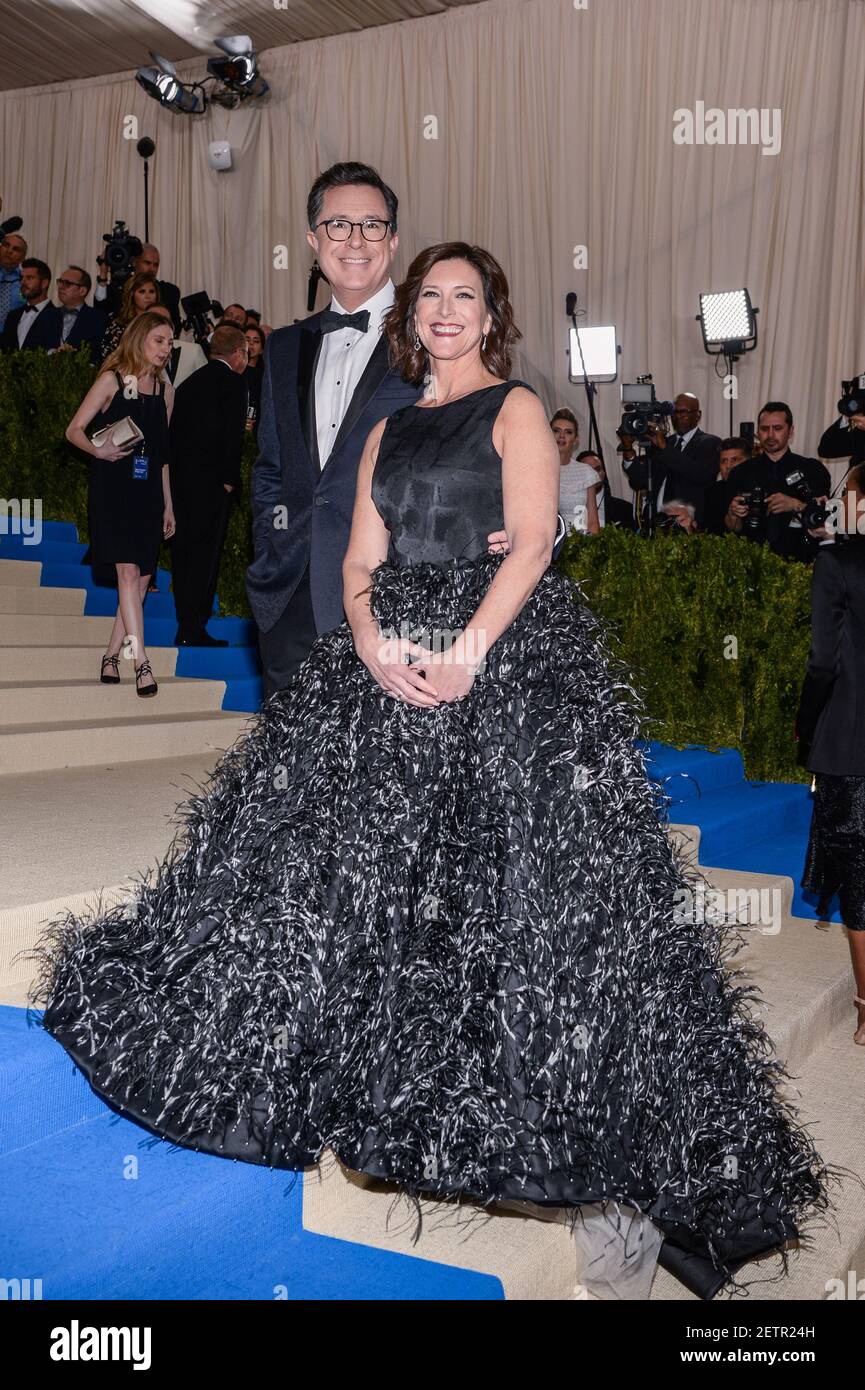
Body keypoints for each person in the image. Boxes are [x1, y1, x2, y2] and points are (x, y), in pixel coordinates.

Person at [29, 241, 830, 1304]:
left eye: (465, 296)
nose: (446, 310)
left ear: (491, 317)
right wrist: (368, 642)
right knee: (340, 884)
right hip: (385, 661)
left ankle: (602, 1188)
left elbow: (532, 542)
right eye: (431, 297)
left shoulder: (515, 407)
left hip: (498, 664)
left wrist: (468, 653)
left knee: (537, 914)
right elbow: (360, 561)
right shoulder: (387, 428)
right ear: (411, 317)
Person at [247, 160, 564, 700]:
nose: (355, 240)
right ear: (313, 239)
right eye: (338, 225)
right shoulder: (281, 347)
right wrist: (270, 550)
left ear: (392, 240)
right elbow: (272, 469)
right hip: (292, 594)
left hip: (410, 607)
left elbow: (484, 454)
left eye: (371, 225)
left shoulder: (436, 330)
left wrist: (545, 527)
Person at [64, 310, 175, 695]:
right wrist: (98, 451)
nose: (166, 348)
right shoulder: (111, 379)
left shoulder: (164, 391)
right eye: (159, 340)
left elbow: (162, 457)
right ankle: (141, 662)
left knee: (140, 581)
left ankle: (111, 655)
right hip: (113, 489)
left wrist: (169, 505)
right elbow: (74, 430)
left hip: (148, 492)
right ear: (140, 338)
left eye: (169, 342)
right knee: (127, 573)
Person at [797, 462, 865, 1046]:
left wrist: (806, 723)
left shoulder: (836, 562)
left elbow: (823, 661)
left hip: (851, 740)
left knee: (861, 881)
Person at [169, 325, 248, 646]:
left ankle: (185, 626)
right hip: (213, 487)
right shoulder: (234, 383)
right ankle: (195, 628)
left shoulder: (189, 383)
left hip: (181, 484)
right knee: (205, 558)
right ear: (238, 353)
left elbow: (174, 435)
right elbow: (233, 437)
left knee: (183, 554)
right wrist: (229, 481)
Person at [725, 403, 831, 560]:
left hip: (802, 561)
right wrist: (733, 513)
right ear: (757, 432)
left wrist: (796, 505)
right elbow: (733, 528)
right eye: (764, 429)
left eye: (777, 428)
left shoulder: (812, 469)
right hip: (752, 561)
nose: (770, 435)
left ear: (791, 431)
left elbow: (826, 522)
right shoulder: (740, 473)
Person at [621, 394, 721, 529]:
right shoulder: (664, 442)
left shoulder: (710, 442)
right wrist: (627, 448)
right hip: (656, 524)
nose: (678, 416)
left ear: (698, 415)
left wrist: (664, 448)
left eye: (684, 412)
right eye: (675, 412)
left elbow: (699, 474)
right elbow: (639, 482)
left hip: (690, 526)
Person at [95, 241, 181, 336]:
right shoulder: (120, 287)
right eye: (147, 263)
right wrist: (103, 273)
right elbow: (100, 312)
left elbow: (176, 328)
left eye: (156, 265)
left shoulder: (169, 291)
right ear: (134, 262)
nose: (152, 269)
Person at [550, 408, 599, 534]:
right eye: (556, 431)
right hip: (548, 542)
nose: (562, 436)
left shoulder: (586, 472)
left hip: (581, 542)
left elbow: (593, 522)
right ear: (547, 434)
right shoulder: (536, 470)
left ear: (576, 439)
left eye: (568, 432)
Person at [98, 271, 161, 362]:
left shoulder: (162, 323)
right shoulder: (118, 325)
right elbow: (108, 356)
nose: (148, 296)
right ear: (131, 295)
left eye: (152, 291)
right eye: (142, 291)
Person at [0, 258, 62, 351]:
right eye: (21, 278)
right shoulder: (12, 316)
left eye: (29, 278)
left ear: (44, 283)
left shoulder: (58, 317)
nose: (23, 282)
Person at [53, 265, 106, 363]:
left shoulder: (97, 319)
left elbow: (97, 354)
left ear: (82, 291)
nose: (60, 287)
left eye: (67, 283)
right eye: (60, 282)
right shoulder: (47, 315)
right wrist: (53, 353)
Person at [702, 436, 750, 535]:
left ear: (749, 462)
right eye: (724, 461)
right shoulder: (712, 492)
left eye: (735, 460)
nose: (728, 466)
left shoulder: (759, 488)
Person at [0, 230, 27, 330]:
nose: (9, 251)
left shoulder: (25, 281)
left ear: (23, 258)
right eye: (6, 245)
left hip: (12, 334)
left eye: (16, 249)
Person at [243, 323, 265, 429]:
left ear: (262, 349)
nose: (251, 344)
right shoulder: (233, 372)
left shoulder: (265, 377)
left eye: (256, 341)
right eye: (247, 340)